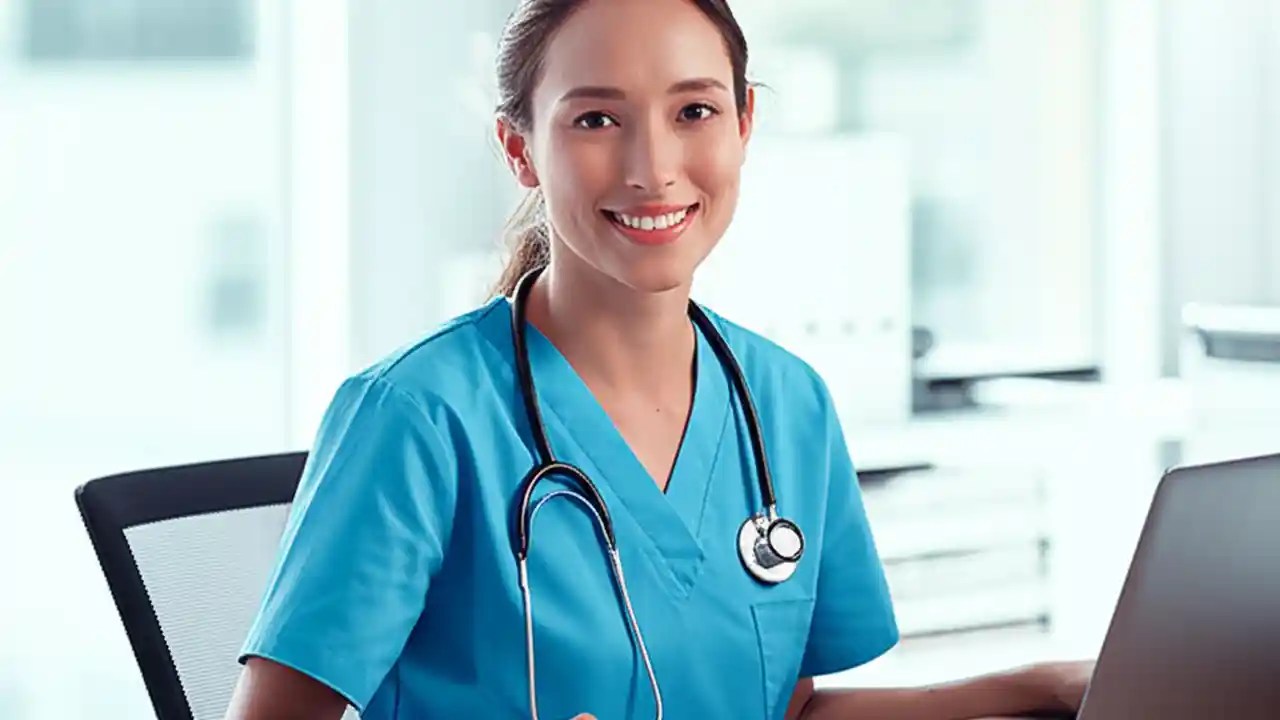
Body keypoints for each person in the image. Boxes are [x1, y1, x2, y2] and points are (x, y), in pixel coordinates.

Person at [225, 0, 1092, 718]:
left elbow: (785, 709)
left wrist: (1048, 687)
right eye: (597, 119)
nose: (653, 167)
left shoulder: (786, 402)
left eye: (695, 112)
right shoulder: (418, 416)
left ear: (746, 123)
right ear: (519, 147)